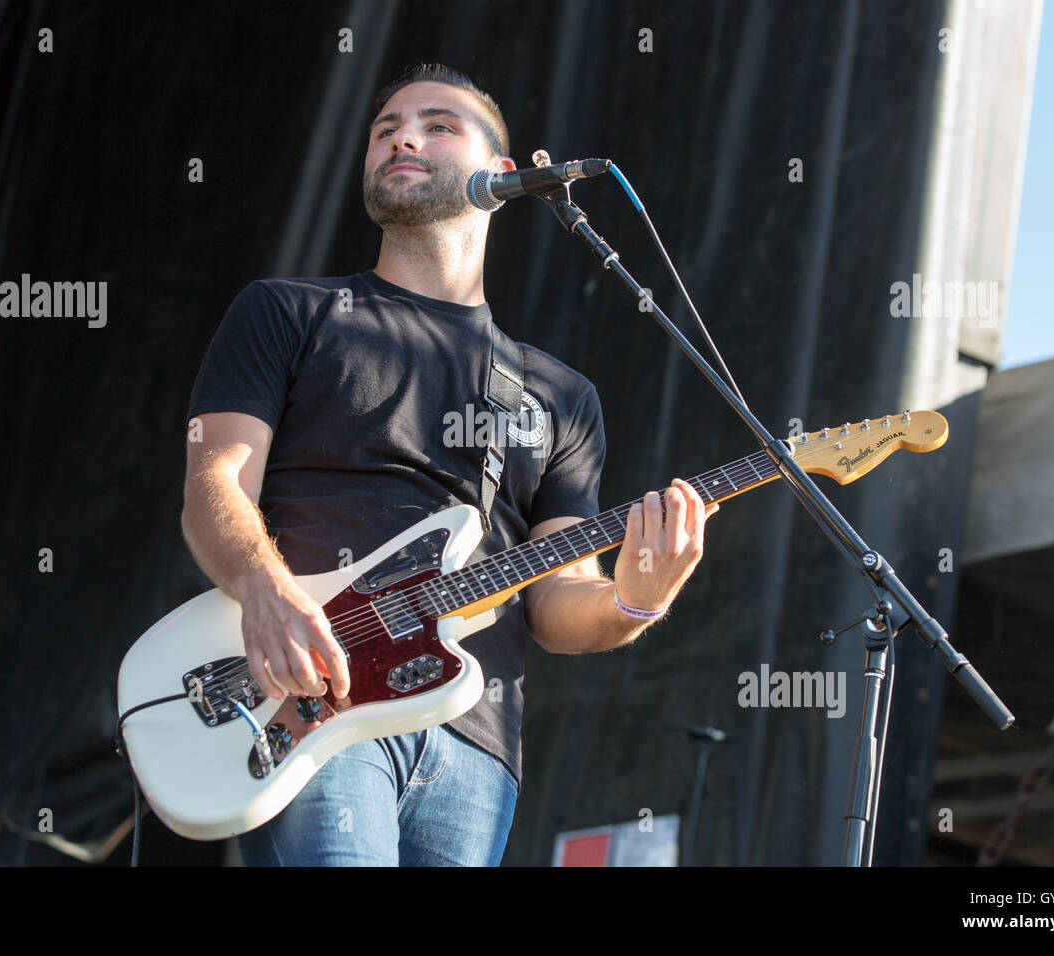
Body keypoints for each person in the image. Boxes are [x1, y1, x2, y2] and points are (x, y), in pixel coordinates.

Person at [180, 63, 712, 866]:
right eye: (386, 125)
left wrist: (633, 601)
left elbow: (559, 600)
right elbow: (214, 484)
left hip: (476, 739)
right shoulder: (287, 312)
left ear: (504, 177)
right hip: (312, 696)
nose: (402, 134)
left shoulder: (560, 395)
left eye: (438, 124)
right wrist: (265, 588)